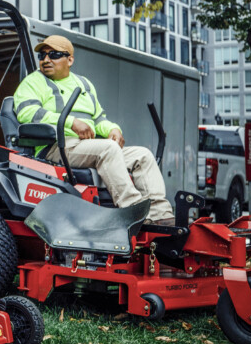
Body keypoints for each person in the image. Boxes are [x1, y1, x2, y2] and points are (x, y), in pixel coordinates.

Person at [13, 34, 174, 224]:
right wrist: (70, 122)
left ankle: (160, 216)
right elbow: (27, 112)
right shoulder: (33, 82)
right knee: (108, 149)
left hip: (86, 147)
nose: (46, 60)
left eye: (54, 54)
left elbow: (98, 119)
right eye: (42, 56)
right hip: (56, 147)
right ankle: (134, 211)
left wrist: (113, 129)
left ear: (70, 59)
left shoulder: (84, 84)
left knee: (143, 155)